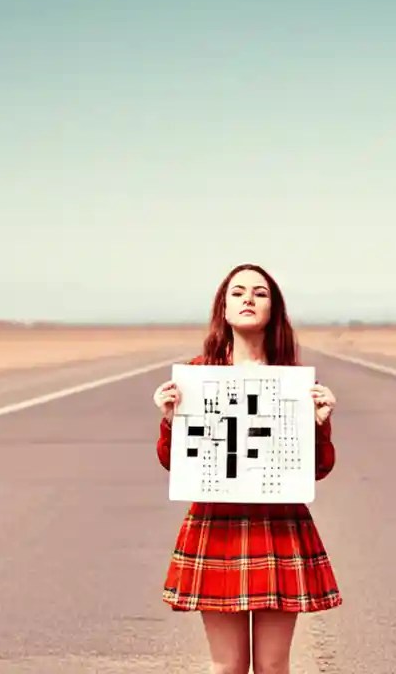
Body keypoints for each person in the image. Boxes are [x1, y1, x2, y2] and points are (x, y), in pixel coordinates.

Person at [151, 263, 342, 674]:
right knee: (228, 667)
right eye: (238, 292)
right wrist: (170, 420)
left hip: (277, 523)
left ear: (274, 309)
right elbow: (174, 462)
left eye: (260, 292)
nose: (248, 299)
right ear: (224, 307)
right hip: (216, 524)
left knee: (273, 666)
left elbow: (318, 468)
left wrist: (320, 425)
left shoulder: (292, 381)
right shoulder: (198, 374)